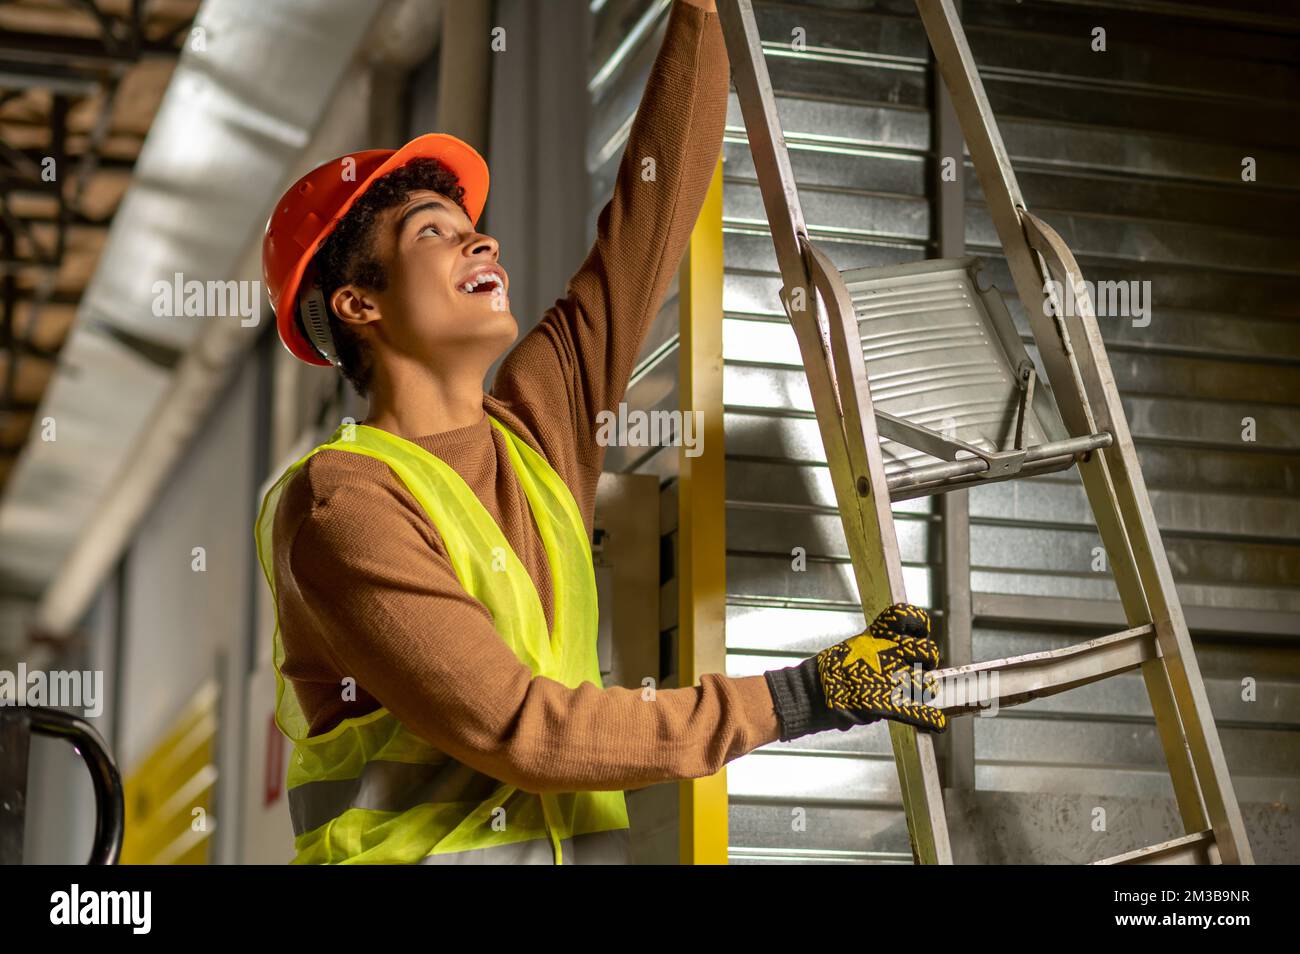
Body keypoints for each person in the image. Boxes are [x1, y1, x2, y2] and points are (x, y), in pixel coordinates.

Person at [255, 0, 945, 865]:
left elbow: (644, 226)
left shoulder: (534, 434)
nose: (483, 243)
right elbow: (523, 729)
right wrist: (803, 695)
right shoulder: (342, 502)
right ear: (359, 303)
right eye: (436, 233)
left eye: (476, 230)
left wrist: (703, 13)